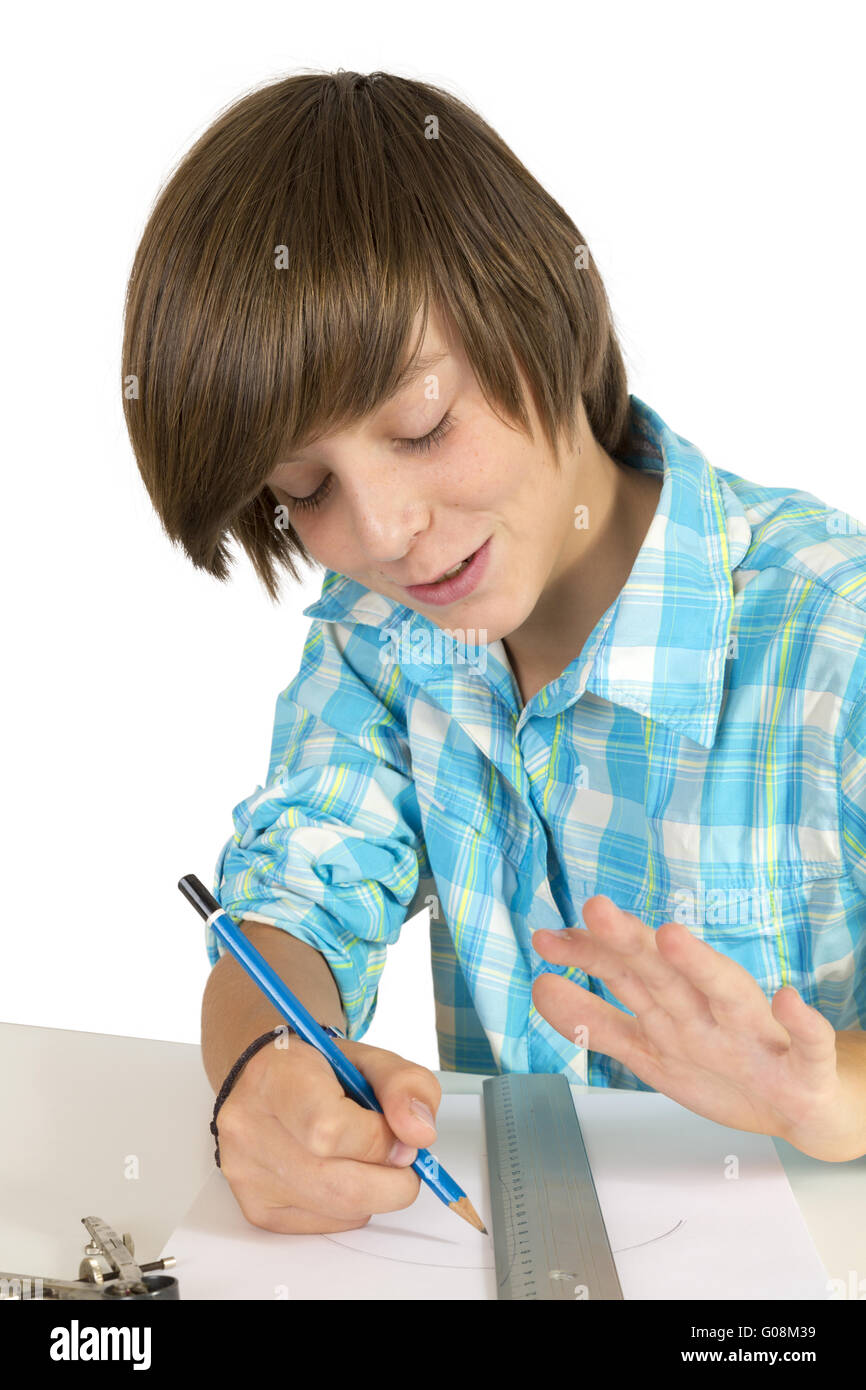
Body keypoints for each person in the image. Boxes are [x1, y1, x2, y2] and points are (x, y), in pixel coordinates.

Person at [122, 70, 866, 1235]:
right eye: (303, 489)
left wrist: (827, 1099)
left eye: (420, 427)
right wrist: (261, 1067)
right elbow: (293, 904)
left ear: (538, 308)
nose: (381, 534)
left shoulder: (835, 637)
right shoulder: (383, 636)